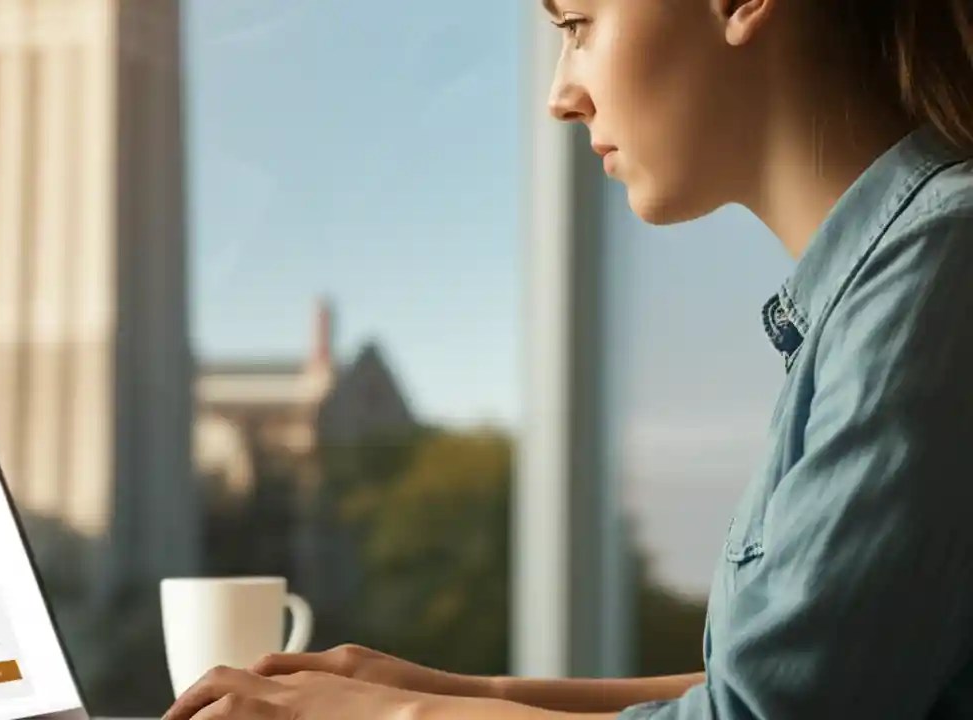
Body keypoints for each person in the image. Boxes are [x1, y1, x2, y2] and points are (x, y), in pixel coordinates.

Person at [163, 0, 973, 717]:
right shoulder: (893, 285)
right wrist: (452, 693)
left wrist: (379, 718)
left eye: (577, 25)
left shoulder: (940, 272)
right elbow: (758, 689)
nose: (559, 95)